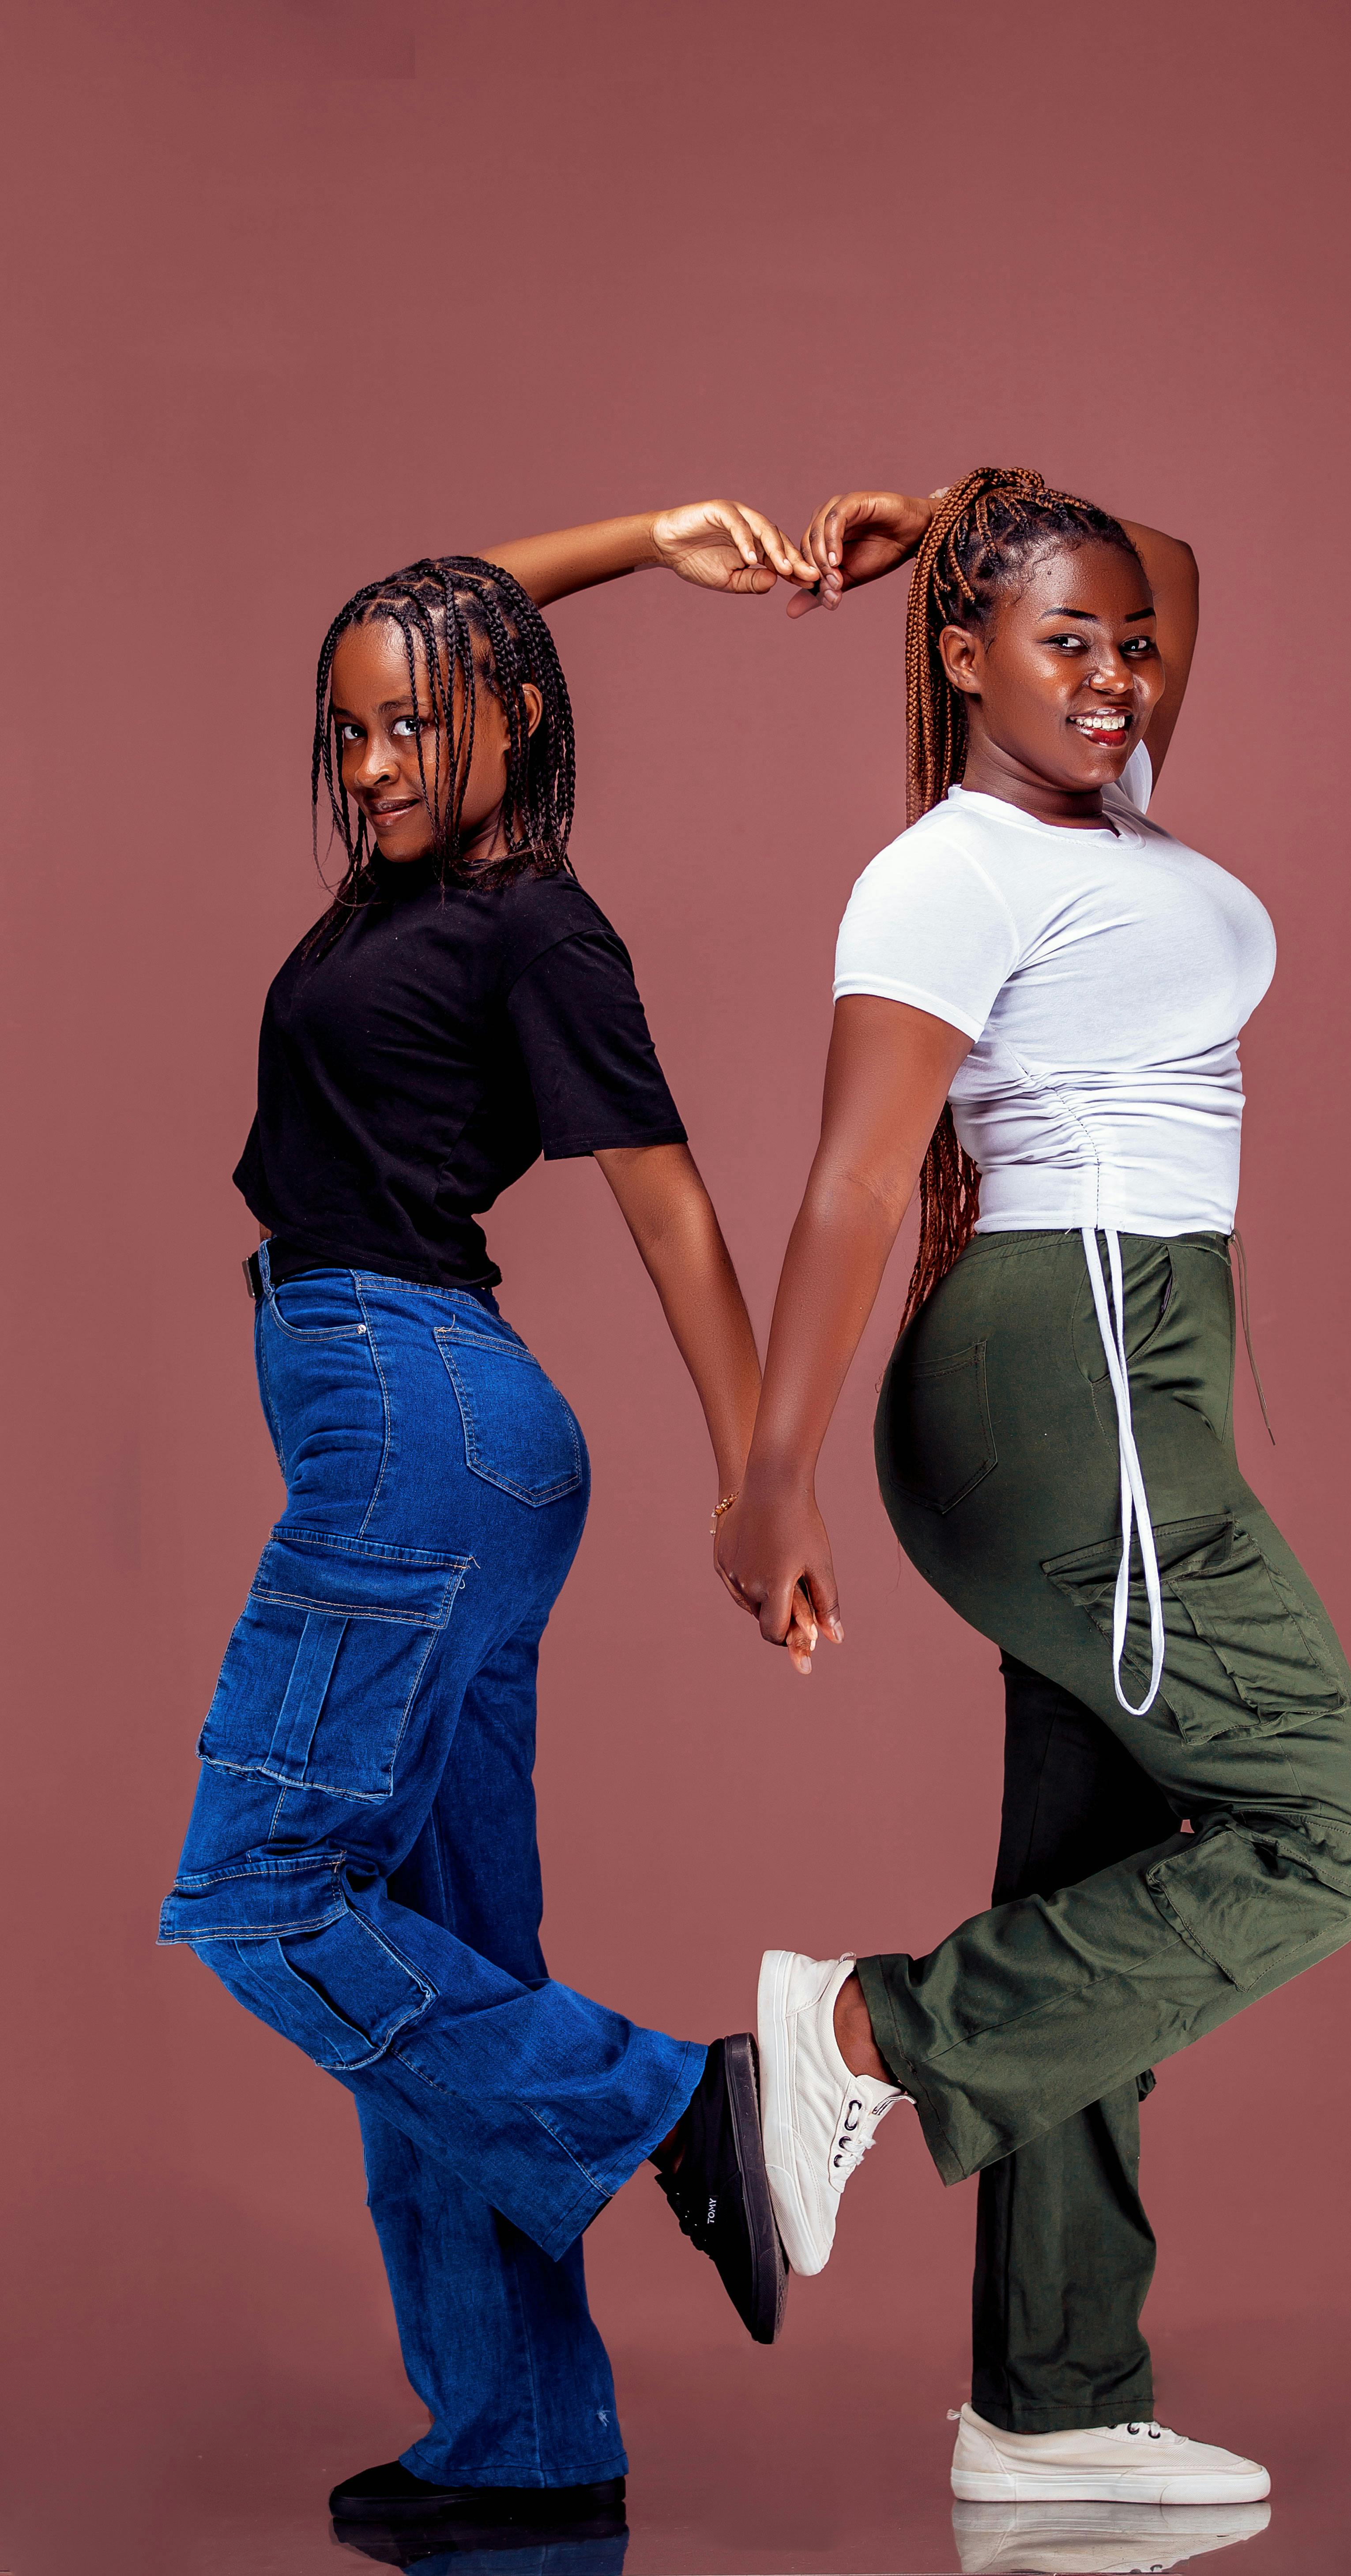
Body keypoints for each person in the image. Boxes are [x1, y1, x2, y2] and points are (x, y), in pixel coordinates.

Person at [719, 469, 1351, 2507]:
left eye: (1124, 649)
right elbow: (853, 1175)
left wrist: (960, 513)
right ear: (960, 661)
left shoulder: (1100, 799)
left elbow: (1167, 566)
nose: (1114, 677)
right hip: (1064, 1366)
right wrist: (771, 1470)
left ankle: (1053, 2392)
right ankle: (858, 2035)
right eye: (1056, 643)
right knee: (1324, 1829)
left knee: (1096, 1880)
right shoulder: (946, 869)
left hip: (1130, 1360)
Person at [158, 499, 820, 2539]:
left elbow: (672, 1207)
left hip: (416, 1414)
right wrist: (650, 533)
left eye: (407, 732)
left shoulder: (541, 924)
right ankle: (525, 2446)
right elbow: (460, 612)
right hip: (425, 1427)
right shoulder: (411, 872)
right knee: (443, 1944)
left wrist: (759, 1478)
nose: (367, 768)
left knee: (270, 1887)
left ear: (511, 724)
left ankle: (677, 2106)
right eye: (342, 732)